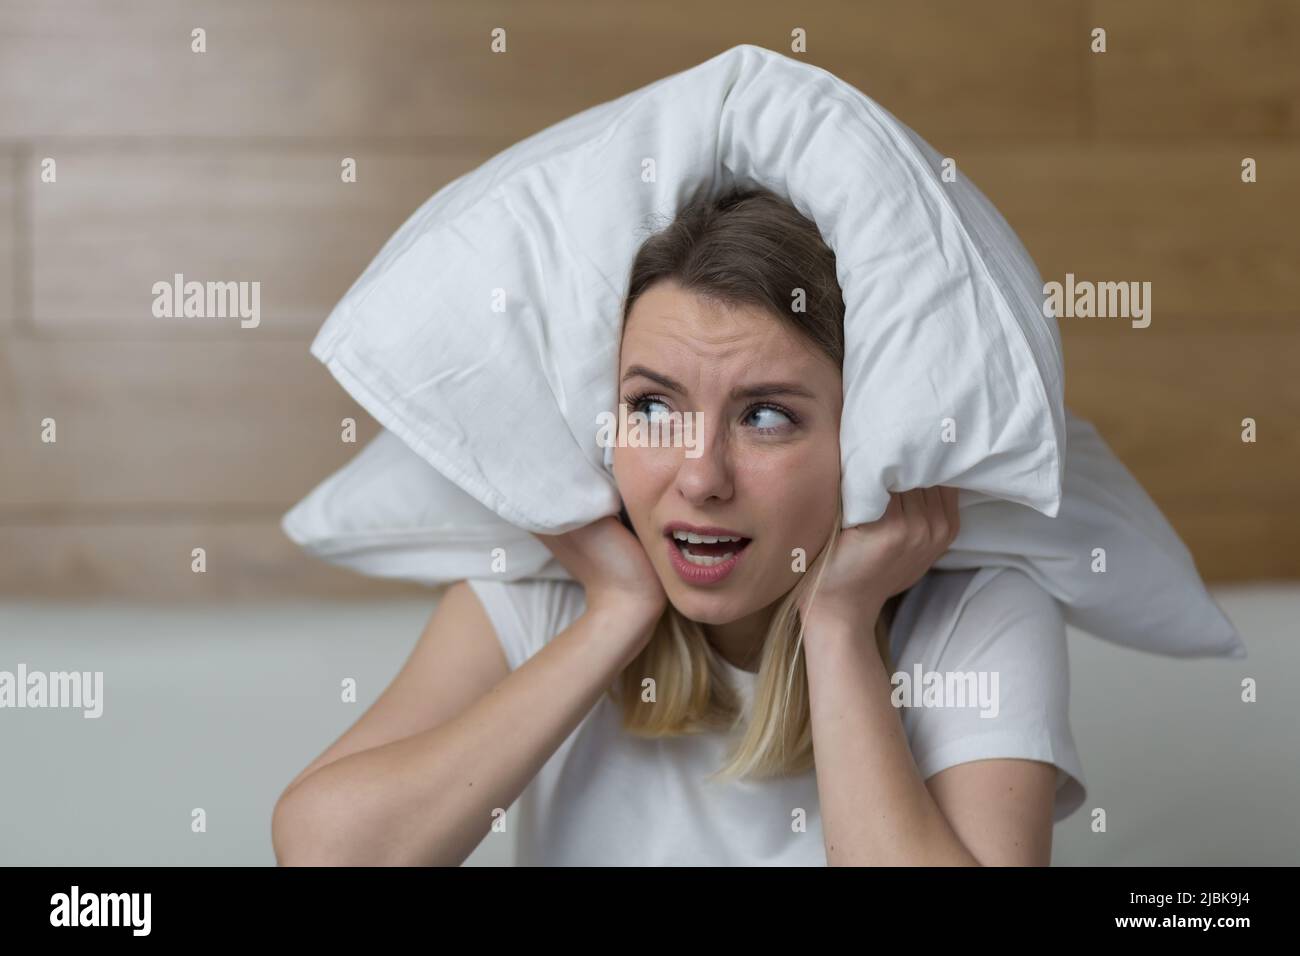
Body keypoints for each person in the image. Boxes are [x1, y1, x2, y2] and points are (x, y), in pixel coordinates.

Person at [271, 186, 1086, 866]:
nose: (699, 477)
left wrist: (837, 627)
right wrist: (615, 614)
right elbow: (325, 854)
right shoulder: (534, 600)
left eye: (766, 415)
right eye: (653, 407)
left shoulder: (976, 615)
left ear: (863, 439)